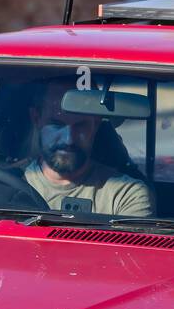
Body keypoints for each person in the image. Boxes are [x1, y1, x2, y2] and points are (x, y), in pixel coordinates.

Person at [21, 78, 153, 216]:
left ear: (96, 124)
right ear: (36, 118)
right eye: (57, 124)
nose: (69, 139)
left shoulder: (125, 195)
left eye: (80, 125)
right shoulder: (6, 185)